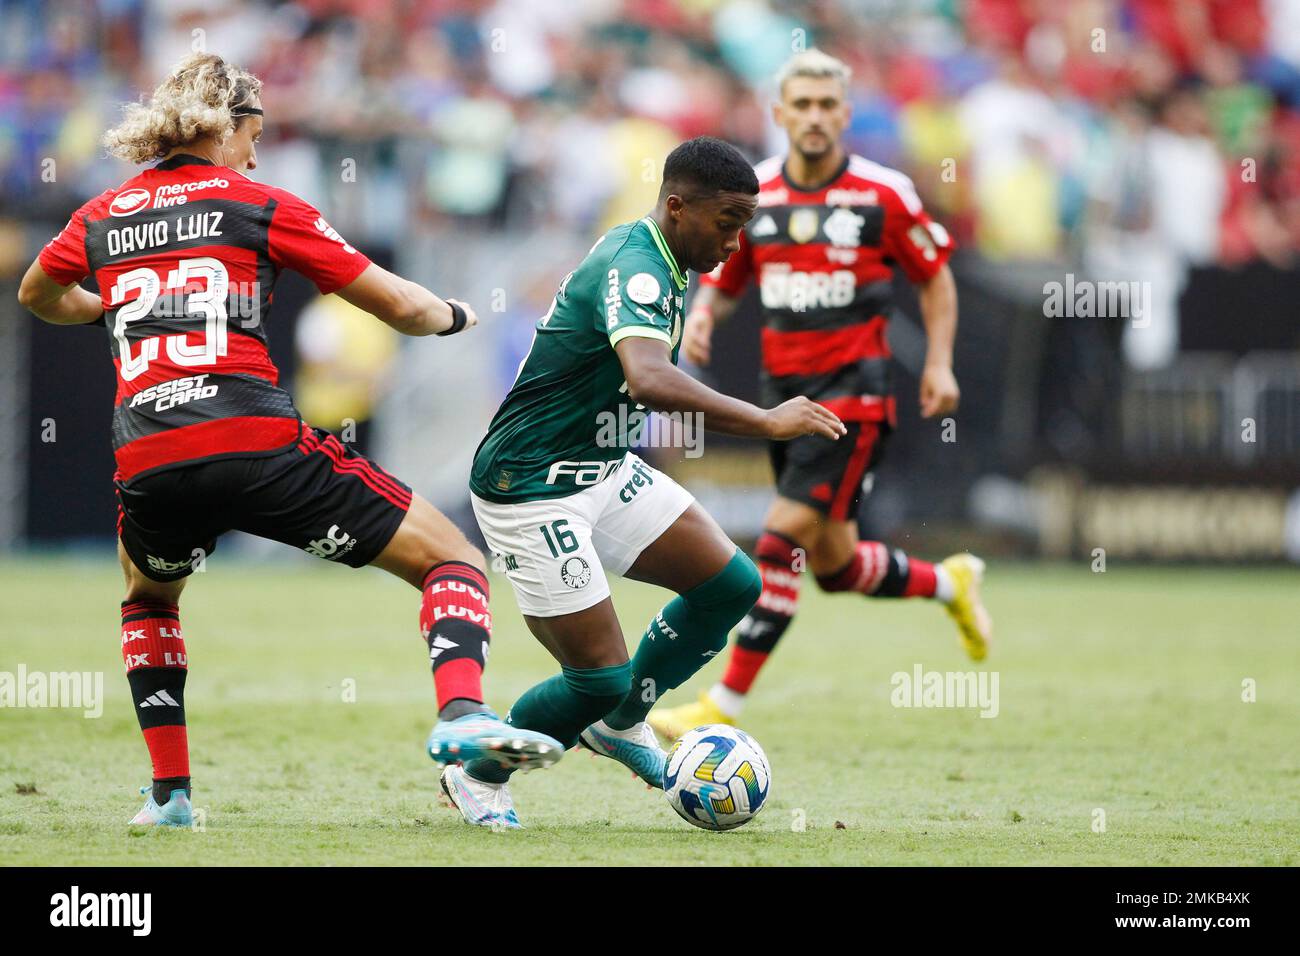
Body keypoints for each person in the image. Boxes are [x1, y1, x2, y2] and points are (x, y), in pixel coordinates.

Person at [16, 52, 561, 828]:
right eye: (253, 134)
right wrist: (459, 315)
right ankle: (463, 716)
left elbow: (36, 293)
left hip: (148, 458)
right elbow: (403, 308)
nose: (257, 152)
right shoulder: (259, 202)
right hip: (255, 444)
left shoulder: (101, 214)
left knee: (147, 599)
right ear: (226, 127)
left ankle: (170, 798)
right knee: (453, 559)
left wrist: (104, 304)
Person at [444, 136, 846, 829]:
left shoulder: (662, 255)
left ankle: (621, 724)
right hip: (531, 483)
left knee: (733, 586)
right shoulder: (639, 267)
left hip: (599, 467)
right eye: (728, 223)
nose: (735, 242)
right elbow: (649, 379)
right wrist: (768, 422)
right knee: (596, 678)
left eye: (745, 225)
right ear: (678, 206)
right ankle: (476, 772)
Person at [648, 50, 992, 740]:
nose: (813, 116)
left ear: (845, 112)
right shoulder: (758, 191)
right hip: (784, 399)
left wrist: (942, 364)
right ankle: (950, 583)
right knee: (834, 566)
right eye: (800, 104)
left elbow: (936, 275)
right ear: (780, 113)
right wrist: (710, 311)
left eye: (826, 105)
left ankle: (723, 705)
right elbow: (728, 266)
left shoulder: (884, 192)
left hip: (854, 398)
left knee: (780, 540)